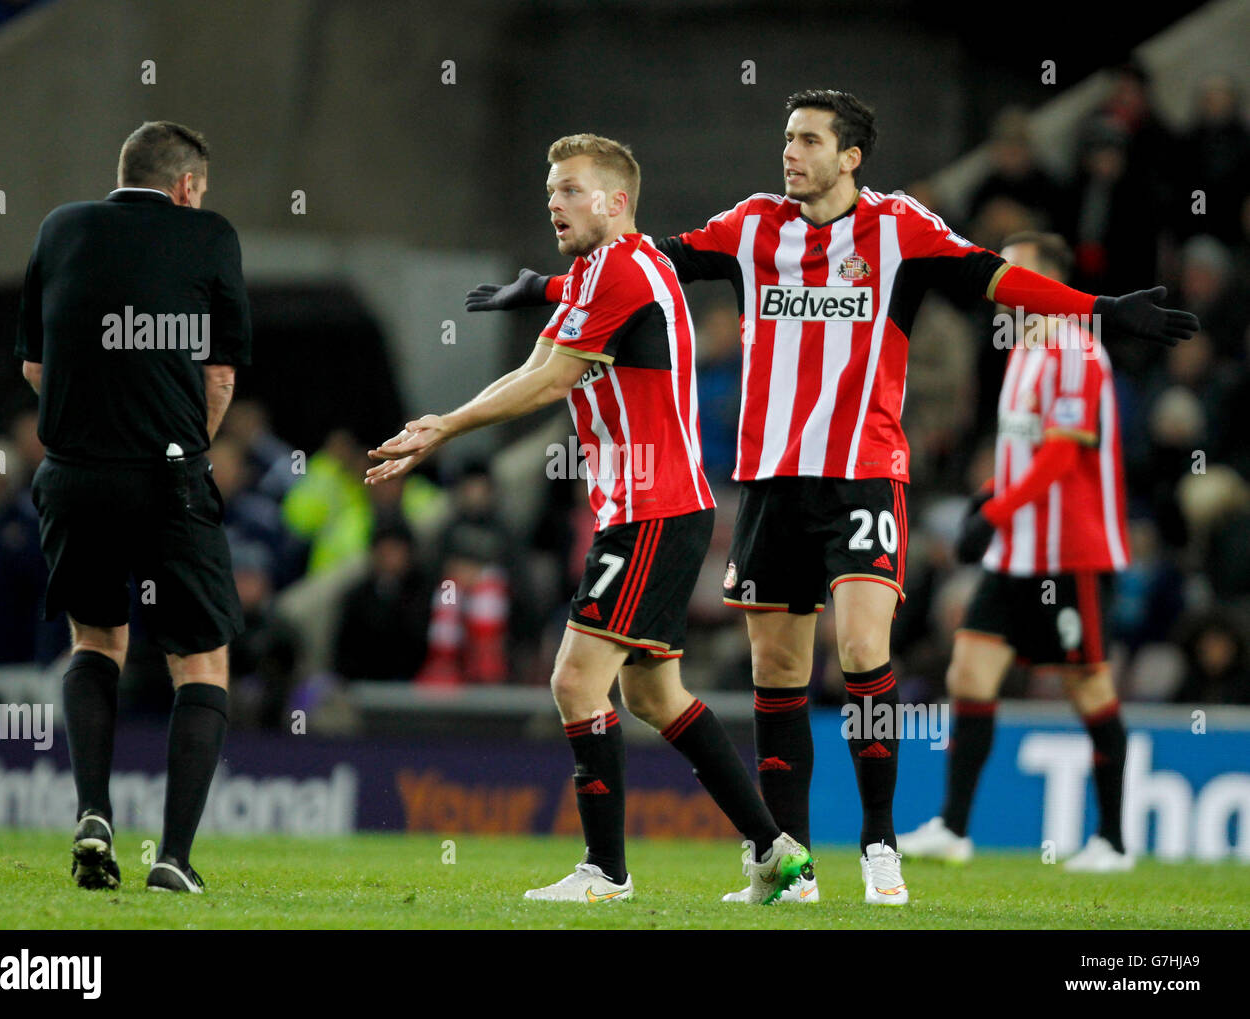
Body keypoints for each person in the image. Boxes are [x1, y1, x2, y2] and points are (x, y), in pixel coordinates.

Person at [466, 90, 1197, 904]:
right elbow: (644, 261)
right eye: (786, 137)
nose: (790, 152)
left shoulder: (902, 229)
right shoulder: (751, 225)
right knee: (776, 669)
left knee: (859, 647)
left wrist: (1099, 309)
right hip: (772, 479)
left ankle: (880, 842)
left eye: (808, 140)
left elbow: (993, 278)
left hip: (862, 471)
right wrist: (546, 289)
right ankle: (789, 864)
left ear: (851, 157)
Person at [368, 133, 811, 904]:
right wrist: (446, 419)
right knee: (651, 696)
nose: (554, 202)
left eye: (571, 188)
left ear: (616, 199)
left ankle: (606, 872)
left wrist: (446, 426)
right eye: (551, 190)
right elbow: (540, 366)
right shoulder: (595, 273)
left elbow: (551, 386)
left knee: (576, 681)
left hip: (651, 508)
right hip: (654, 507)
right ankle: (777, 854)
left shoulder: (624, 269)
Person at [16, 120, 251, 894]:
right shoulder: (209, 235)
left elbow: (33, 363)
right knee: (201, 661)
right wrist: (181, 442)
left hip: (72, 475)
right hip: (166, 477)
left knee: (96, 640)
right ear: (186, 187)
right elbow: (218, 377)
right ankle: (173, 857)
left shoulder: (60, 228)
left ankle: (92, 812)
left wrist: (95, 423)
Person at [898, 233, 1135, 872]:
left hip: (1070, 552)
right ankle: (953, 828)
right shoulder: (1024, 351)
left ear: (1053, 281)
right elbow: (1023, 453)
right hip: (1018, 551)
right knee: (969, 675)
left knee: (1087, 683)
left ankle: (1113, 839)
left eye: (1019, 270)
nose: (1003, 280)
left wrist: (993, 514)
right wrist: (987, 500)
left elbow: (1063, 451)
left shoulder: (1076, 348)